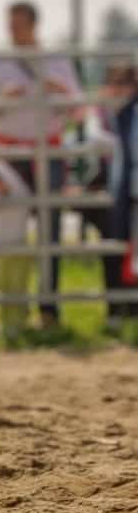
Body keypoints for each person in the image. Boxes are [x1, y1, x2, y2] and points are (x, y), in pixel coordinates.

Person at [0, 0, 82, 333]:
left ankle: (49, 311)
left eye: (18, 25)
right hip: (9, 154)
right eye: (10, 25)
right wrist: (1, 100)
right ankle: (11, 314)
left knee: (49, 235)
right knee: (10, 236)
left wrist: (60, 91)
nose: (13, 31)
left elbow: (79, 112)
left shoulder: (57, 59)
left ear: (34, 25)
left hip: (48, 152)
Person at [99, 59, 138, 330]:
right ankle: (118, 312)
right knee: (114, 250)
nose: (119, 89)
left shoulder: (127, 114)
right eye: (114, 82)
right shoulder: (109, 114)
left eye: (125, 82)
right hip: (119, 194)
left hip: (128, 191)